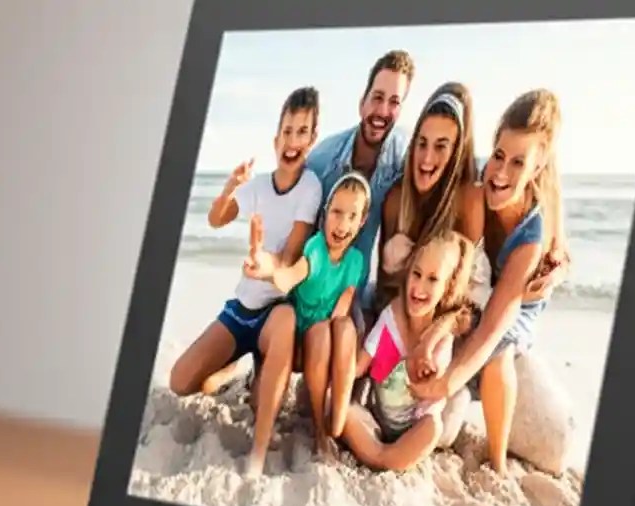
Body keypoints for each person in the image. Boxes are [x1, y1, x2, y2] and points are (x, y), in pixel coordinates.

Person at [411, 89, 572, 475]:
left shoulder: (532, 233)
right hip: (479, 286)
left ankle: (497, 461)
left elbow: (500, 315)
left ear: (537, 167)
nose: (501, 171)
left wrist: (451, 380)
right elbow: (463, 265)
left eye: (518, 162)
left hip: (516, 303)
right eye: (498, 156)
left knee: (498, 348)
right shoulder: (480, 189)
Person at [168, 86, 324, 477]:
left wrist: (265, 263)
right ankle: (233, 368)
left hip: (275, 312)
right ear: (276, 139)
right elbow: (216, 219)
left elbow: (291, 256)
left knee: (286, 321)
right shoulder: (256, 188)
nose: (293, 141)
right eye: (287, 132)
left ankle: (257, 452)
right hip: (242, 309)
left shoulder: (311, 188)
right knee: (182, 381)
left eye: (302, 132)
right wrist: (229, 187)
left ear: (312, 139)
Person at [243, 173, 371, 461]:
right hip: (294, 343)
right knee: (259, 401)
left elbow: (345, 302)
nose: (342, 225)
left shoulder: (356, 261)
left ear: (362, 221)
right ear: (325, 214)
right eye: (336, 213)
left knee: (335, 330)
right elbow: (294, 274)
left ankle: (328, 425)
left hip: (321, 344)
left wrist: (343, 335)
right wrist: (266, 271)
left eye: (352, 216)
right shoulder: (315, 247)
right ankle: (313, 422)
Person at [330, 231, 475, 471]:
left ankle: (381, 456)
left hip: (414, 426)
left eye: (433, 279)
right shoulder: (391, 318)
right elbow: (360, 366)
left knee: (433, 427)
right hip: (378, 418)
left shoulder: (441, 339)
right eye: (416, 274)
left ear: (448, 287)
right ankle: (380, 455)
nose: (419, 286)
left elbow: (428, 398)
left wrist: (428, 368)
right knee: (340, 404)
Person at [305, 49, 415, 322]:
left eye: (394, 102)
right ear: (362, 102)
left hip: (357, 294)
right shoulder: (321, 160)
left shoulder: (406, 157)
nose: (383, 111)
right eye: (377, 98)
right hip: (312, 290)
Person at [373, 82, 484, 315]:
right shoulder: (396, 200)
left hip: (447, 323)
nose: (427, 158)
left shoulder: (469, 200)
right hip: (399, 316)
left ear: (456, 153)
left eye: (441, 147)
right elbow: (383, 292)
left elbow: (466, 296)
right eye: (422, 144)